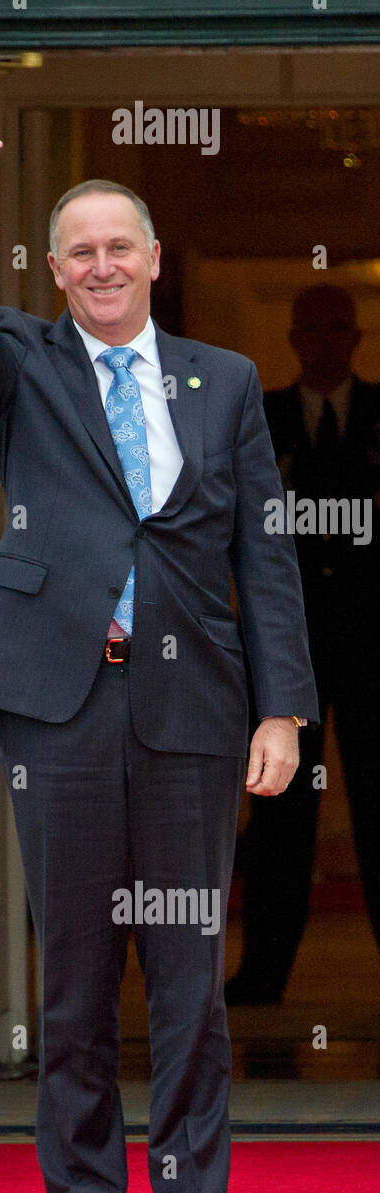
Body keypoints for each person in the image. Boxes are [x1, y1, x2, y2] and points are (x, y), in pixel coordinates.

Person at [0, 89, 317, 1193]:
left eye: (118, 247)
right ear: (53, 265)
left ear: (150, 259)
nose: (99, 266)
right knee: (77, 969)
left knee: (190, 969)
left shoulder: (225, 379)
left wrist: (283, 707)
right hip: (62, 704)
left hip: (192, 704)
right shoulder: (21, 365)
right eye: (78, 250)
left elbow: (264, 553)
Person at [228, 286, 380, 1004]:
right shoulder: (265, 417)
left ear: (354, 338)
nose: (322, 340)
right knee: (280, 812)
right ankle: (263, 975)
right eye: (309, 328)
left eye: (334, 328)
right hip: (288, 644)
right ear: (291, 338)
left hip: (374, 646)